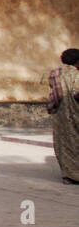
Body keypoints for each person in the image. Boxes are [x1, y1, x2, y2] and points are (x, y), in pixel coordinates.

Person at [45, 48, 79, 184]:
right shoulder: (76, 74)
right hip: (75, 112)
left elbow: (54, 91)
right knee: (76, 142)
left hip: (59, 114)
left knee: (63, 143)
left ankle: (68, 176)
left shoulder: (55, 73)